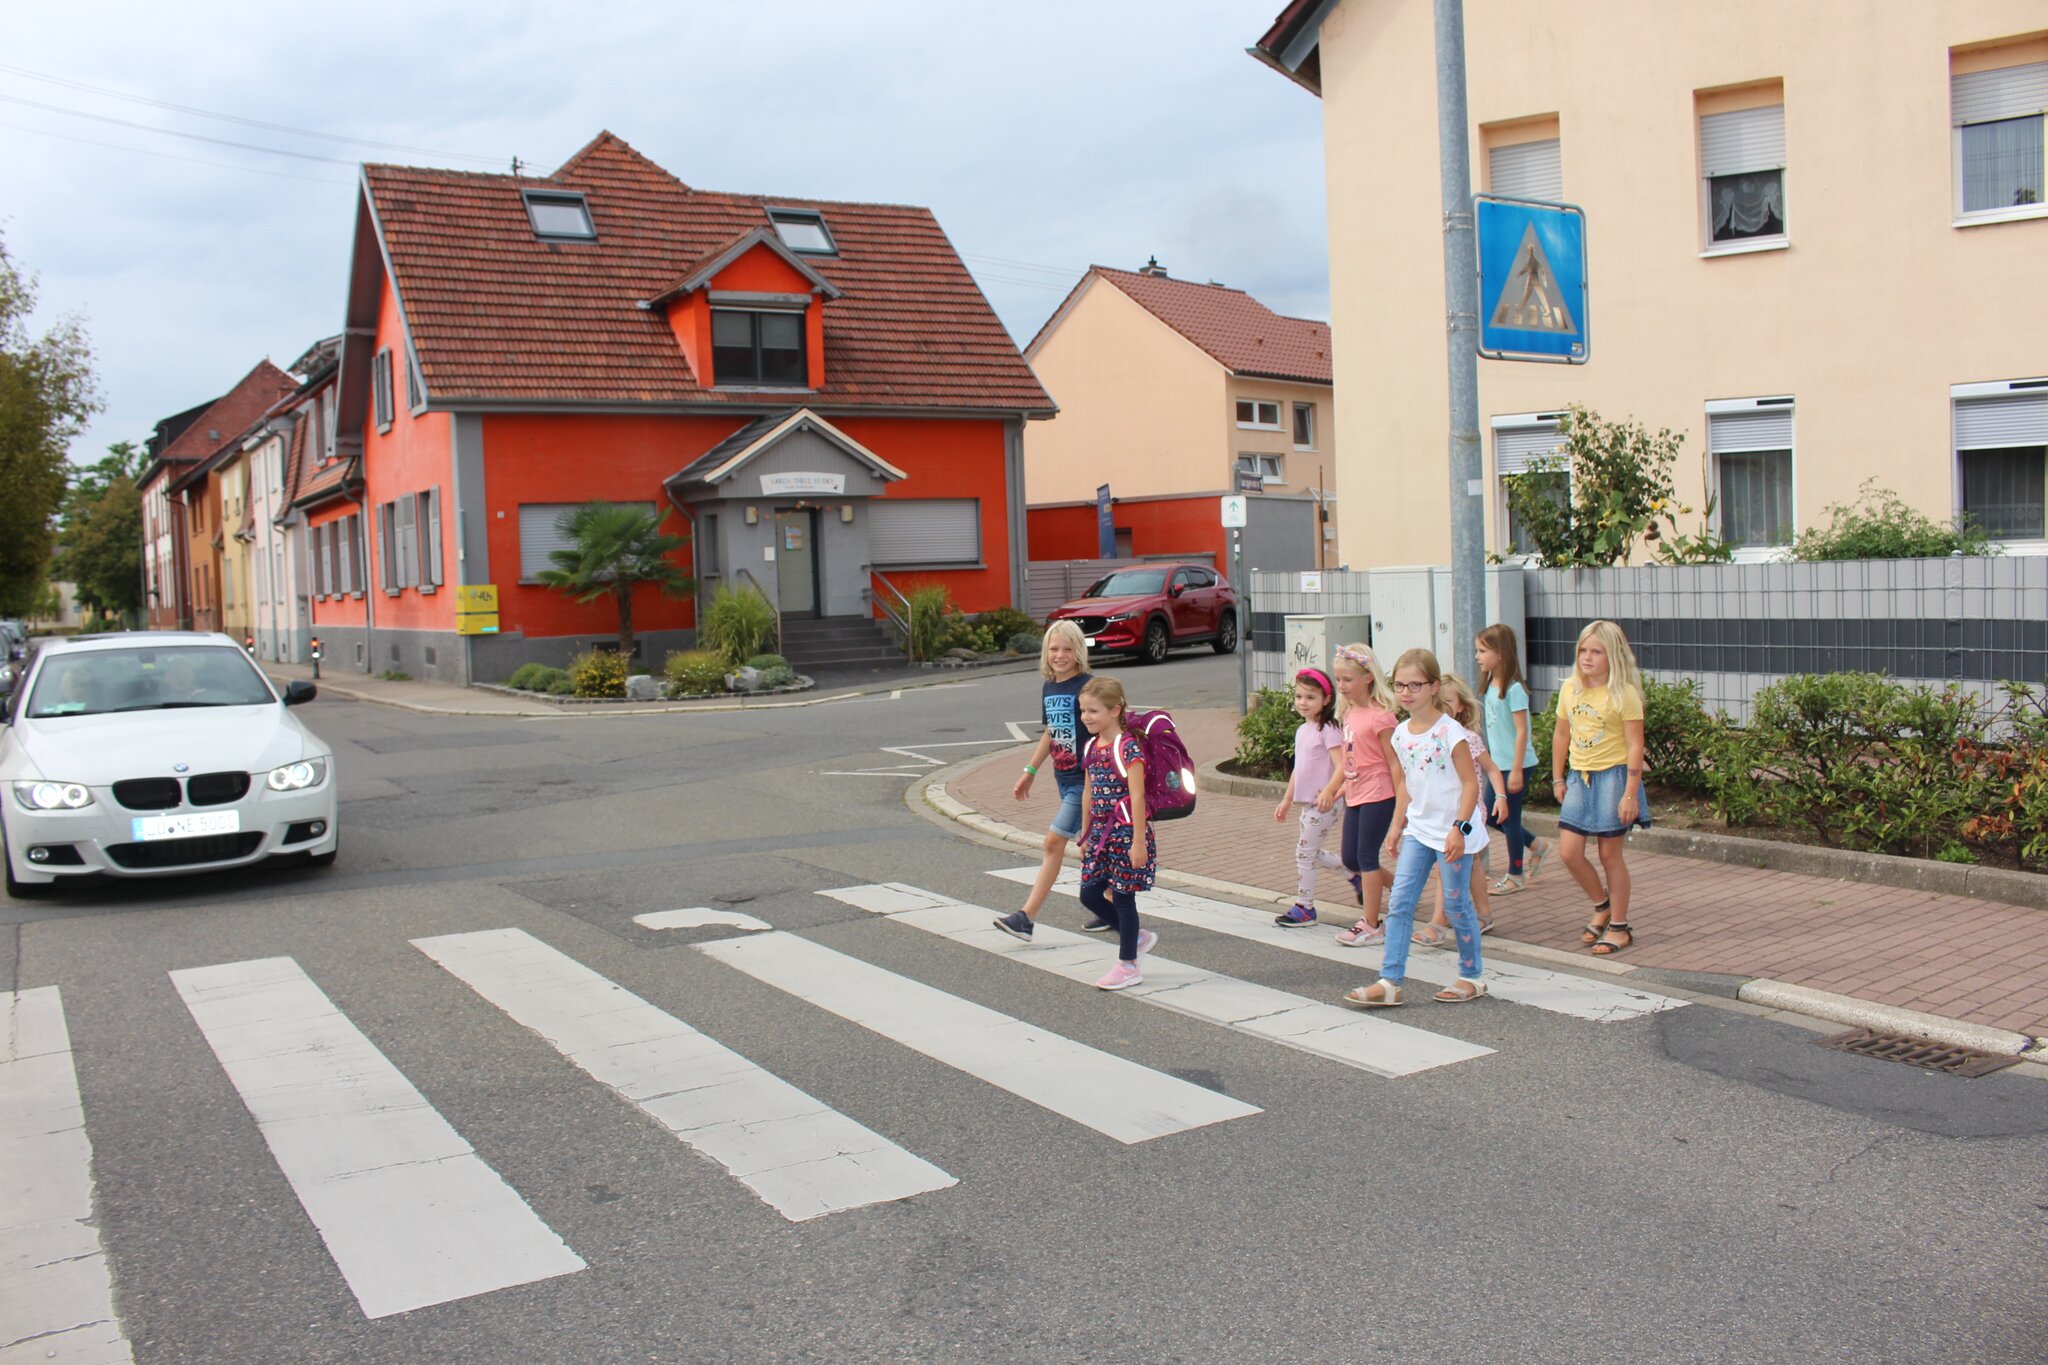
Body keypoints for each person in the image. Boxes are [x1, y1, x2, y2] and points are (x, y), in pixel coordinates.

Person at [1343, 649, 1489, 1007]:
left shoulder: (1450, 732)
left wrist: (1459, 827)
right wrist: (1397, 825)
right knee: (1401, 904)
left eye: (1416, 685)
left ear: (1434, 686)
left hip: (1454, 832)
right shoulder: (1402, 733)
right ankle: (1390, 981)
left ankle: (1471, 976)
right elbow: (1406, 782)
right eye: (1400, 685)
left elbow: (1471, 784)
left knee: (1455, 907)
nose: (1406, 692)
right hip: (1419, 831)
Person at [1551, 619, 1650, 956]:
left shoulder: (1624, 694)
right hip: (1580, 776)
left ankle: (1620, 927)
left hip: (1614, 777)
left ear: (1613, 655)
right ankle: (1601, 904)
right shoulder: (1570, 689)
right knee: (1569, 852)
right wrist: (1558, 777)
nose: (1587, 657)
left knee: (1610, 855)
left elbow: (1636, 745)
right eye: (1583, 650)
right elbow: (1561, 734)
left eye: (1596, 651)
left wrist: (1630, 793)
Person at [994, 621, 1099, 939]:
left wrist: (1099, 776)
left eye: (1067, 649)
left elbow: (1108, 728)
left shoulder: (1088, 686)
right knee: (1091, 848)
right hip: (1063, 778)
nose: (1060, 655)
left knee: (1054, 842)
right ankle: (1112, 906)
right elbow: (1052, 732)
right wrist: (1030, 771)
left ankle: (1026, 918)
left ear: (1079, 651)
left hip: (1087, 780)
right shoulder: (1050, 687)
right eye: (1054, 649)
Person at [1411, 672, 1507, 944]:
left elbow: (1492, 769)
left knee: (1447, 864)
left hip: (1468, 812)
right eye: (1437, 701)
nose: (1441, 706)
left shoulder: (1466, 737)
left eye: (1448, 701)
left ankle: (1438, 924)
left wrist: (1500, 796)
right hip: (1442, 812)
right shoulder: (1429, 736)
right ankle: (1484, 915)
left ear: (1461, 706)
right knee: (1473, 865)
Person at [1076, 676, 1158, 990]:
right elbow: (1088, 792)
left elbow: (1137, 796)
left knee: (1124, 898)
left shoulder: (1128, 747)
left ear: (1115, 710)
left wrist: (1139, 842)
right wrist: (1085, 834)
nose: (1086, 717)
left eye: (1093, 711)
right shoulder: (1090, 745)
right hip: (1099, 834)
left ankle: (1128, 965)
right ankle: (1135, 937)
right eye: (1083, 711)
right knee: (1090, 894)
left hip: (1125, 833)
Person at [1322, 644, 1401, 948]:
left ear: (1368, 677)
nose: (1341, 686)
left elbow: (1395, 764)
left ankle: (1371, 924)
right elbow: (1348, 758)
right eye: (1338, 679)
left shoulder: (1382, 717)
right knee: (1350, 858)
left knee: (1367, 857)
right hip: (1355, 794)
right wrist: (1333, 787)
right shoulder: (1350, 712)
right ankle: (1399, 888)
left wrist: (1400, 808)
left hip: (1379, 794)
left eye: (1347, 679)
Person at [1474, 623, 1546, 896]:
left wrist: (1516, 769)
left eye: (1483, 650)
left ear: (1500, 653)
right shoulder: (1491, 685)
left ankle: (1516, 874)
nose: (1477, 656)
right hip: (1500, 765)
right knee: (1494, 815)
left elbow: (1521, 732)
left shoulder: (1514, 689)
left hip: (1517, 765)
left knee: (1509, 819)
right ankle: (1537, 846)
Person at [1272, 668, 1347, 926]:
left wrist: (1329, 792)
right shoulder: (1303, 729)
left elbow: (1343, 766)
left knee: (1304, 852)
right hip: (1308, 802)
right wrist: (1286, 799)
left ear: (1326, 699)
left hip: (1325, 803)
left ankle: (1305, 907)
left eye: (1310, 697)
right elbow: (1299, 769)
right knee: (1310, 852)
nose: (1303, 702)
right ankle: (1354, 874)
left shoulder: (1329, 729)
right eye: (1299, 696)